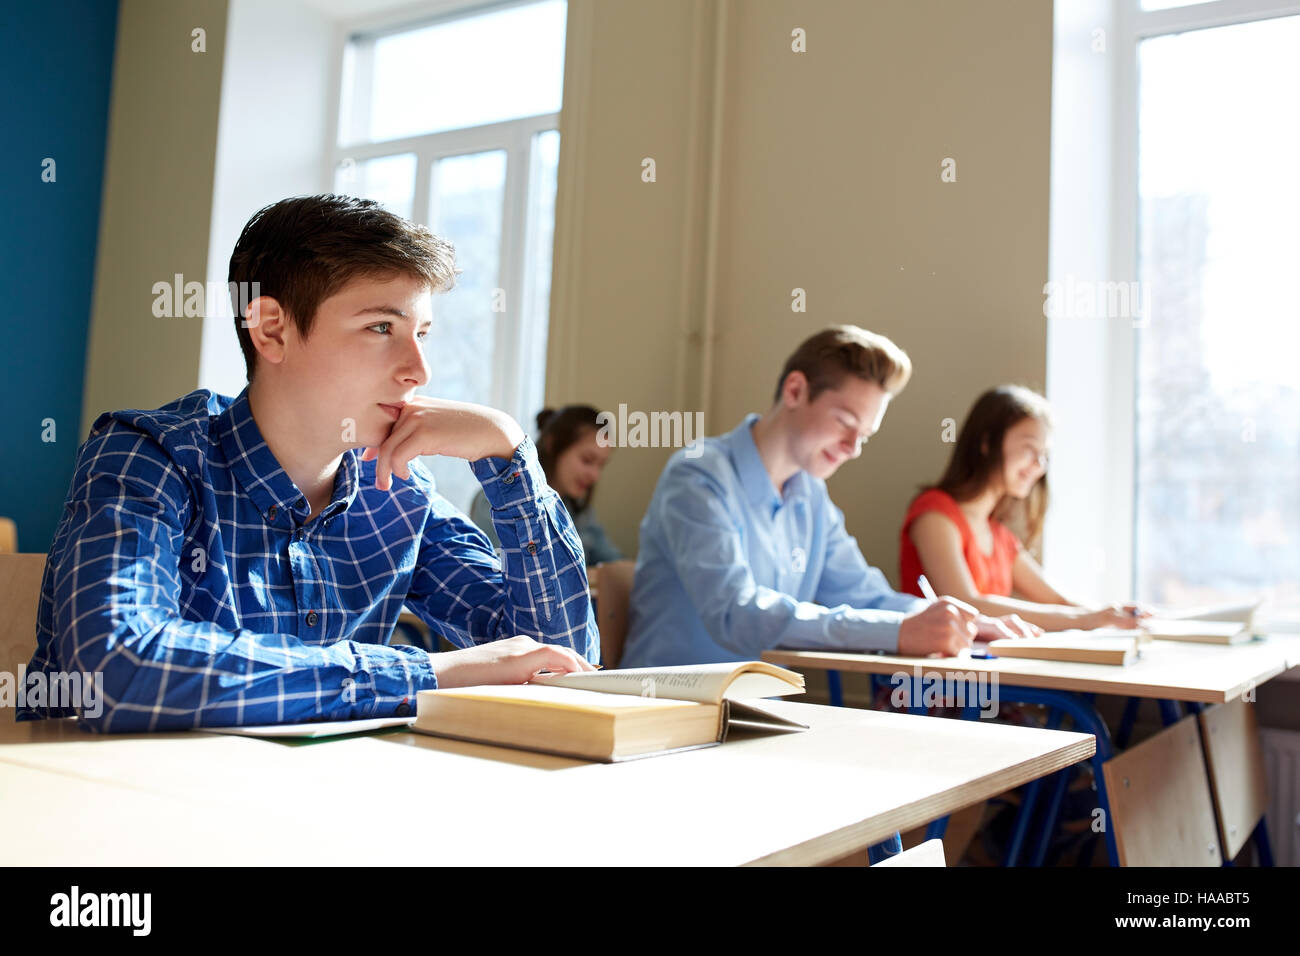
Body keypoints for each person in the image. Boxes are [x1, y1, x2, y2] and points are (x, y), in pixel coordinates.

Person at [18, 195, 598, 733]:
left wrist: (509, 454)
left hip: (302, 815)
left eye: (422, 332)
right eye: (381, 327)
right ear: (273, 329)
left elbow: (559, 659)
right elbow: (115, 669)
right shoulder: (147, 454)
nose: (419, 370)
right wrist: (428, 674)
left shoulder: (400, 491)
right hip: (101, 813)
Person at [619, 325, 1038, 669]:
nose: (853, 447)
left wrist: (965, 621)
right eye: (844, 422)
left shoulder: (811, 497)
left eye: (866, 436)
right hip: (665, 715)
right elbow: (736, 612)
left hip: (756, 715)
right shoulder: (698, 475)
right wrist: (897, 633)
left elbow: (866, 595)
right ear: (795, 391)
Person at [899, 385, 1145, 630]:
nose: (1040, 465)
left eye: (1045, 455)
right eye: (1029, 449)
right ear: (986, 442)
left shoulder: (1001, 537)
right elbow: (967, 604)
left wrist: (1117, 615)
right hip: (932, 668)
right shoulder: (934, 513)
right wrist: (1086, 620)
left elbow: (1060, 600)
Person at [470, 405, 622, 565]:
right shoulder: (495, 502)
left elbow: (613, 561)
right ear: (553, 444)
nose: (595, 475)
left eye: (601, 465)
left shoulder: (580, 513)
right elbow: (494, 567)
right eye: (587, 460)